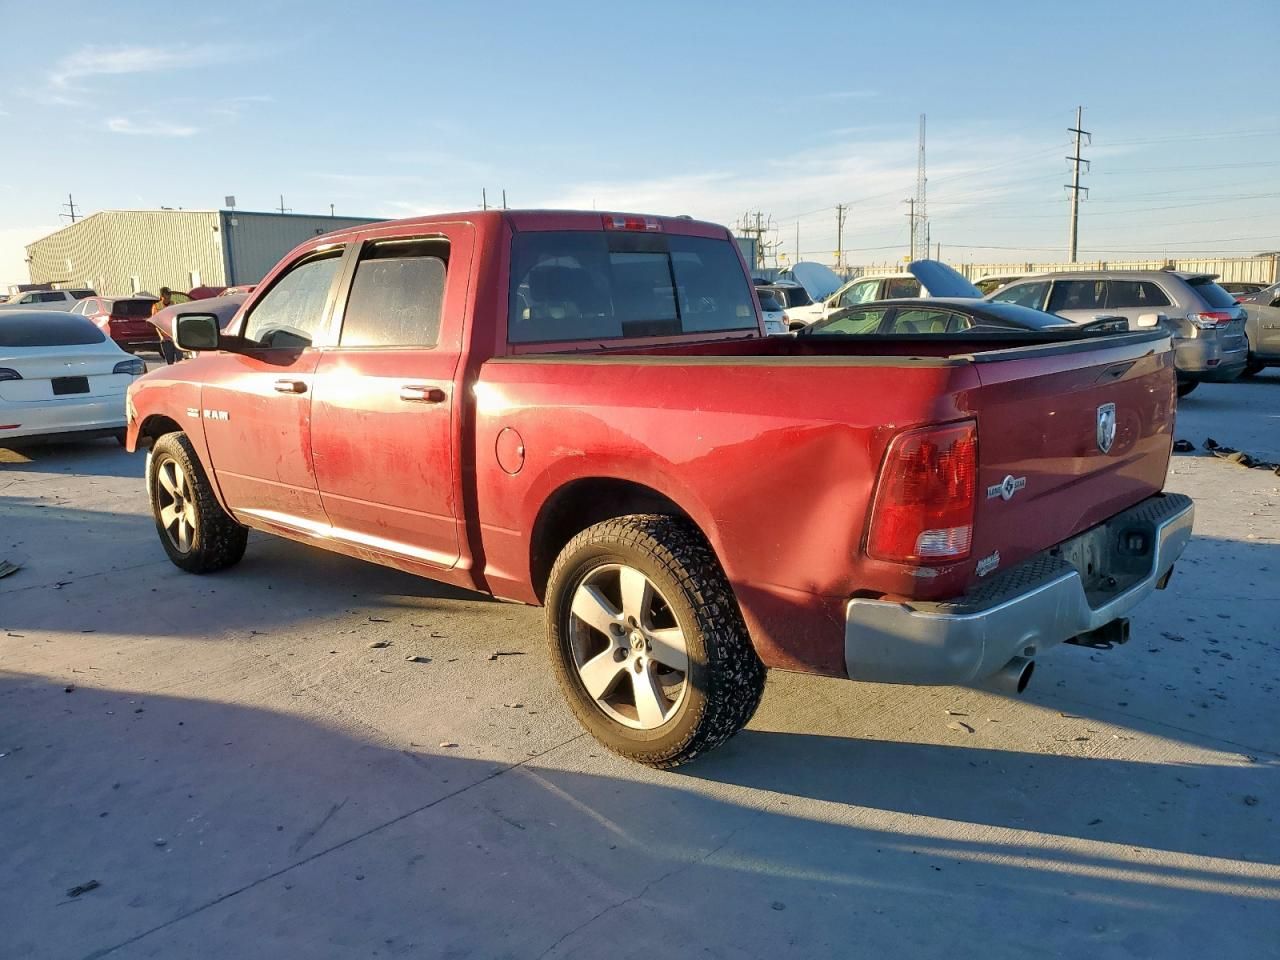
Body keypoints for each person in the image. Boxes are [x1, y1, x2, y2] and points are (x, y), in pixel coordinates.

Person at [152, 288, 178, 364]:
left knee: (180, 360)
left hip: (175, 337)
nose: (169, 297)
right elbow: (155, 323)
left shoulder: (174, 304)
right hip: (165, 339)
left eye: (170, 295)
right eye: (167, 295)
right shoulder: (156, 306)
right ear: (162, 296)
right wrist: (161, 336)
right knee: (170, 362)